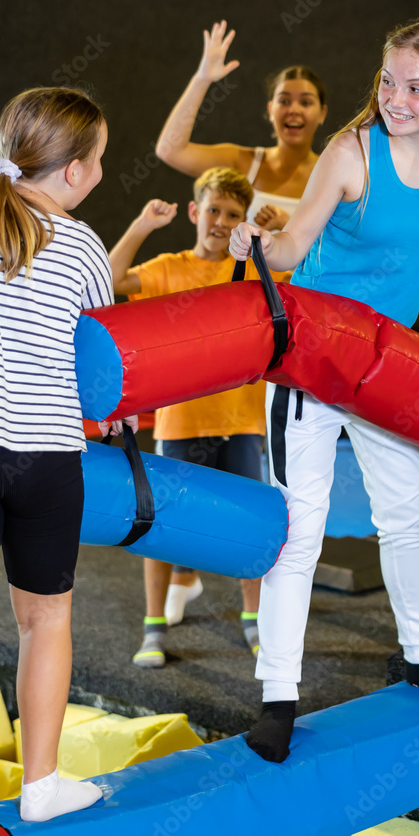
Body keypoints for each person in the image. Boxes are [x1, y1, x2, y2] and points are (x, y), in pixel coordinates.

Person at [230, 17, 419, 763]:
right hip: (311, 361)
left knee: (404, 511)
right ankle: (278, 695)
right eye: (387, 81)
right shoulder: (351, 152)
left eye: (415, 86)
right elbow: (292, 244)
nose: (395, 98)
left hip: (387, 369)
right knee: (300, 527)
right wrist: (257, 242)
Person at [0, 87, 115, 828]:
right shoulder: (83, 247)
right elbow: (104, 367)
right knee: (47, 620)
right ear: (73, 172)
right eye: (100, 159)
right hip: (45, 460)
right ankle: (41, 785)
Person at [108, 167, 269, 665]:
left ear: (243, 220)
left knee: (251, 525)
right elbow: (111, 279)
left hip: (242, 420)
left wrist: (278, 232)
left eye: (233, 214)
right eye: (214, 211)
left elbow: (309, 278)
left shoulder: (257, 266)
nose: (221, 222)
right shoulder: (169, 268)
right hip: (181, 423)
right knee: (157, 523)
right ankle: (153, 627)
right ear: (196, 212)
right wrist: (141, 224)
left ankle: (255, 620)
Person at [155, 20, 328, 234]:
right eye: (284, 101)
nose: (294, 109)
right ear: (270, 110)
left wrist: (287, 225)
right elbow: (170, 150)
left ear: (322, 113)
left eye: (306, 102)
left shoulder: (330, 173)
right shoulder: (244, 162)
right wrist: (202, 79)